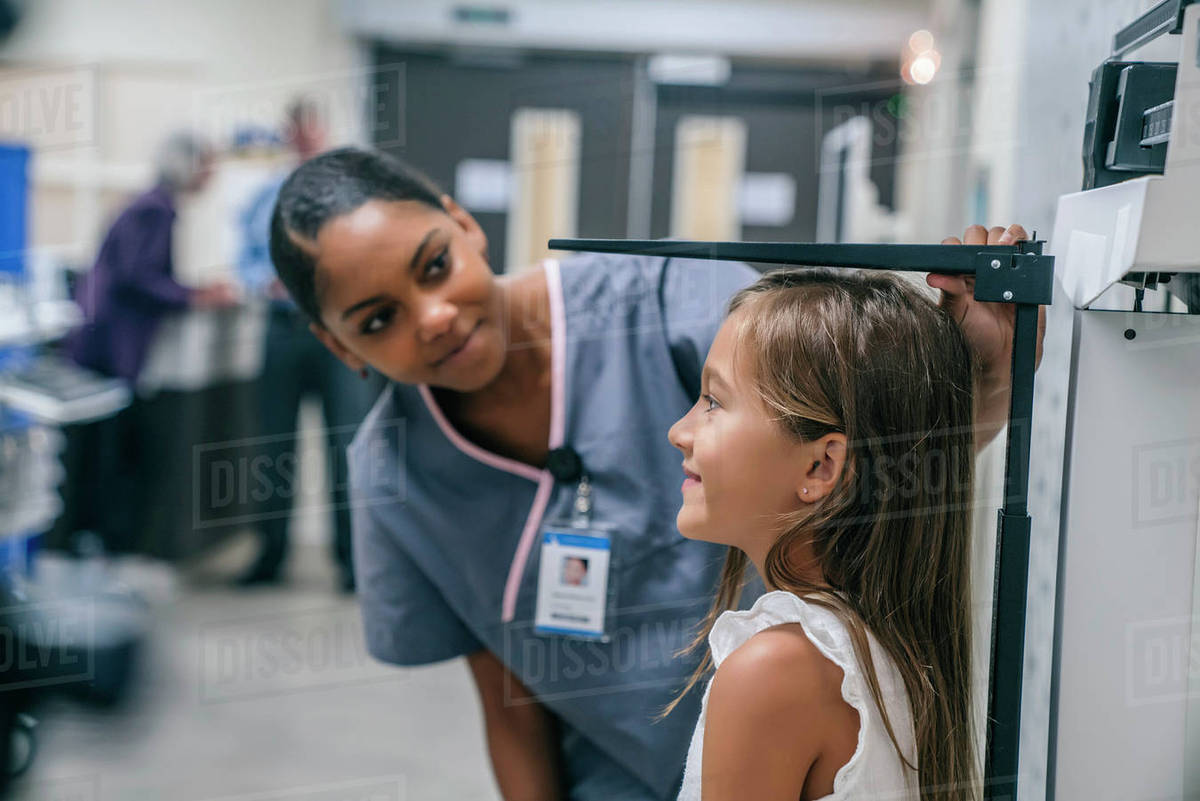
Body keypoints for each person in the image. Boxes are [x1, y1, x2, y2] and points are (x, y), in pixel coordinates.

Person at [267, 146, 1042, 800]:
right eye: (376, 320)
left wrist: (986, 381)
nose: (430, 316)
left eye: (433, 264)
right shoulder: (393, 474)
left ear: (463, 224)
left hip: (801, 750)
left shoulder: (667, 301)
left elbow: (859, 465)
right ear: (337, 347)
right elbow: (508, 700)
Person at [666, 268, 977, 800]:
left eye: (714, 402)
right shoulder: (887, 645)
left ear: (820, 468)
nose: (680, 432)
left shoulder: (774, 673)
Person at [63, 131, 237, 552]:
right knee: (107, 456)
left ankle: (94, 541)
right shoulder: (155, 210)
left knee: (104, 453)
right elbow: (136, 278)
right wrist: (195, 296)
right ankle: (96, 544)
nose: (212, 176)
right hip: (109, 348)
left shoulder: (151, 205)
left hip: (104, 345)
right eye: (207, 165)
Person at [234, 100, 377, 591]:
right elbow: (246, 260)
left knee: (345, 445)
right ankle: (269, 558)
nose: (304, 140)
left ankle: (352, 565)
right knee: (273, 447)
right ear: (288, 136)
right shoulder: (264, 197)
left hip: (337, 334)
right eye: (295, 132)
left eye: (310, 131)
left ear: (323, 132)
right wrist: (263, 281)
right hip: (281, 330)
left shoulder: (352, 196)